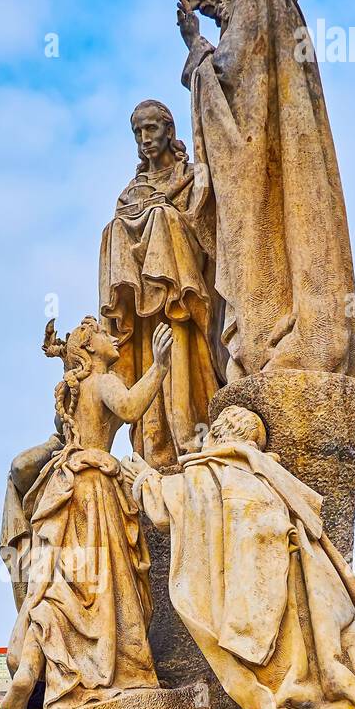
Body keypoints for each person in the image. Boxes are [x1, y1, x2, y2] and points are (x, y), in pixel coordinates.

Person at [128, 405, 355, 709]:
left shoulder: (209, 473)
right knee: (347, 663)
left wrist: (143, 478)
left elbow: (162, 513)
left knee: (331, 672)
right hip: (306, 587)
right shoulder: (264, 475)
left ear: (217, 433)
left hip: (271, 591)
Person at [177, 0, 355, 384]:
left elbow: (228, 79)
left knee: (262, 248)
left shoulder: (255, 1)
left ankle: (271, 343)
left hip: (260, 164)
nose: (194, 5)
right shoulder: (267, 3)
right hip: (266, 155)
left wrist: (194, 45)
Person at [1, 318, 172, 709]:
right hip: (96, 486)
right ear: (91, 351)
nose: (113, 337)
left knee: (59, 584)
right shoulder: (103, 379)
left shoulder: (74, 393)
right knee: (107, 579)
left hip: (65, 487)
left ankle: (31, 666)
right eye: (102, 334)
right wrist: (160, 366)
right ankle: (112, 666)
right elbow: (130, 409)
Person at [99, 100, 221, 470]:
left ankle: (191, 438)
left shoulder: (191, 177)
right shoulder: (130, 192)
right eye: (137, 132)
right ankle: (155, 447)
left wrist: (162, 216)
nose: (144, 139)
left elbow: (209, 230)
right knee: (114, 228)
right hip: (141, 313)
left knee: (162, 216)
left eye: (151, 129)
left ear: (169, 130)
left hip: (181, 300)